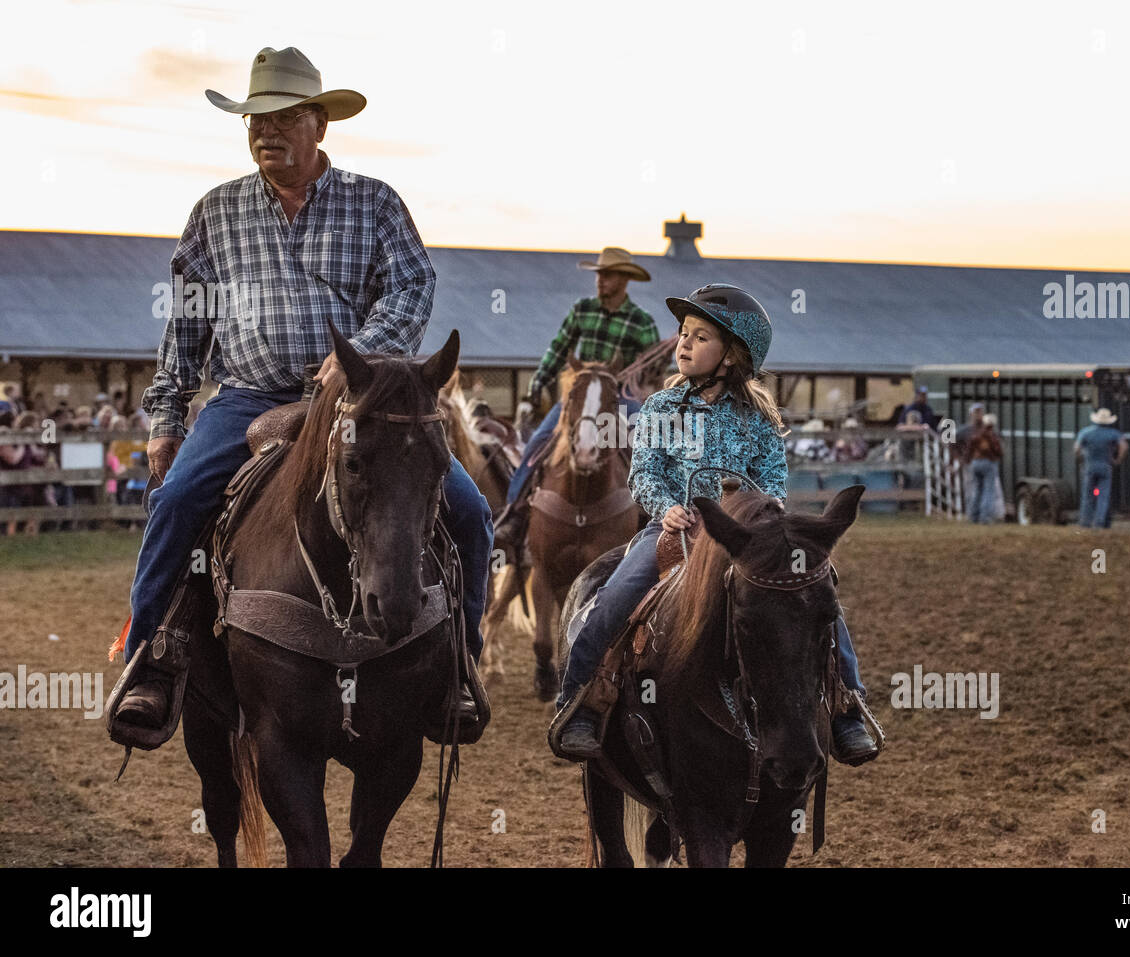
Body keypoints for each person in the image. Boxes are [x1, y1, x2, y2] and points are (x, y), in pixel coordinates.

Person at [114, 47, 492, 733]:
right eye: (256, 119)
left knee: (468, 511)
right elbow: (189, 320)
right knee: (174, 502)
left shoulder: (373, 202)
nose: (267, 131)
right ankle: (152, 657)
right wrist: (167, 418)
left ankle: (460, 663)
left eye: (285, 117)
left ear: (319, 123)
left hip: (354, 401)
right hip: (249, 396)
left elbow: (413, 284)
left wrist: (364, 355)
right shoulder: (216, 213)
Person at [554, 283, 878, 765]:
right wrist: (665, 507)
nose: (684, 343)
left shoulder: (757, 419)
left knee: (819, 593)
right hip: (673, 531)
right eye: (684, 333)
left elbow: (773, 482)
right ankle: (582, 702)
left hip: (743, 537)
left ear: (731, 356)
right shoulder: (661, 409)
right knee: (614, 600)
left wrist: (754, 518)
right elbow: (644, 471)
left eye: (701, 336)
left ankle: (848, 705)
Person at [492, 247, 660, 551]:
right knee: (537, 444)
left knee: (647, 445)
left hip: (620, 398)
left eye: (607, 275)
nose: (600, 281)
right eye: (599, 275)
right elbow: (557, 351)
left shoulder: (641, 321)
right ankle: (514, 515)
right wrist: (533, 392)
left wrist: (645, 383)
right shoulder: (582, 310)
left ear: (624, 279)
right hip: (580, 395)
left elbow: (655, 371)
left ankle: (651, 515)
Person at [1075, 408, 1128, 528]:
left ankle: (1085, 521)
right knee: (1103, 496)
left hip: (1090, 466)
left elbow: (1077, 448)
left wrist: (1081, 459)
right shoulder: (1113, 433)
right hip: (1105, 465)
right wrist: (1117, 460)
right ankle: (1099, 522)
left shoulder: (1086, 432)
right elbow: (1124, 446)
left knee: (1087, 495)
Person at [968, 413, 1003, 524]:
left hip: (975, 462)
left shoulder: (976, 434)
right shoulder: (991, 435)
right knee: (989, 490)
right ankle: (985, 517)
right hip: (988, 463)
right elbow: (997, 450)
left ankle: (973, 516)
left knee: (977, 490)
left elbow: (970, 448)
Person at [954, 403, 985, 521]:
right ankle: (971, 514)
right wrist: (959, 458)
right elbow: (952, 444)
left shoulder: (985, 429)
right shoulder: (965, 430)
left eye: (980, 412)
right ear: (971, 414)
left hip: (983, 461)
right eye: (976, 412)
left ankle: (982, 514)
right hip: (969, 463)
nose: (979, 415)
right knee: (970, 489)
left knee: (982, 489)